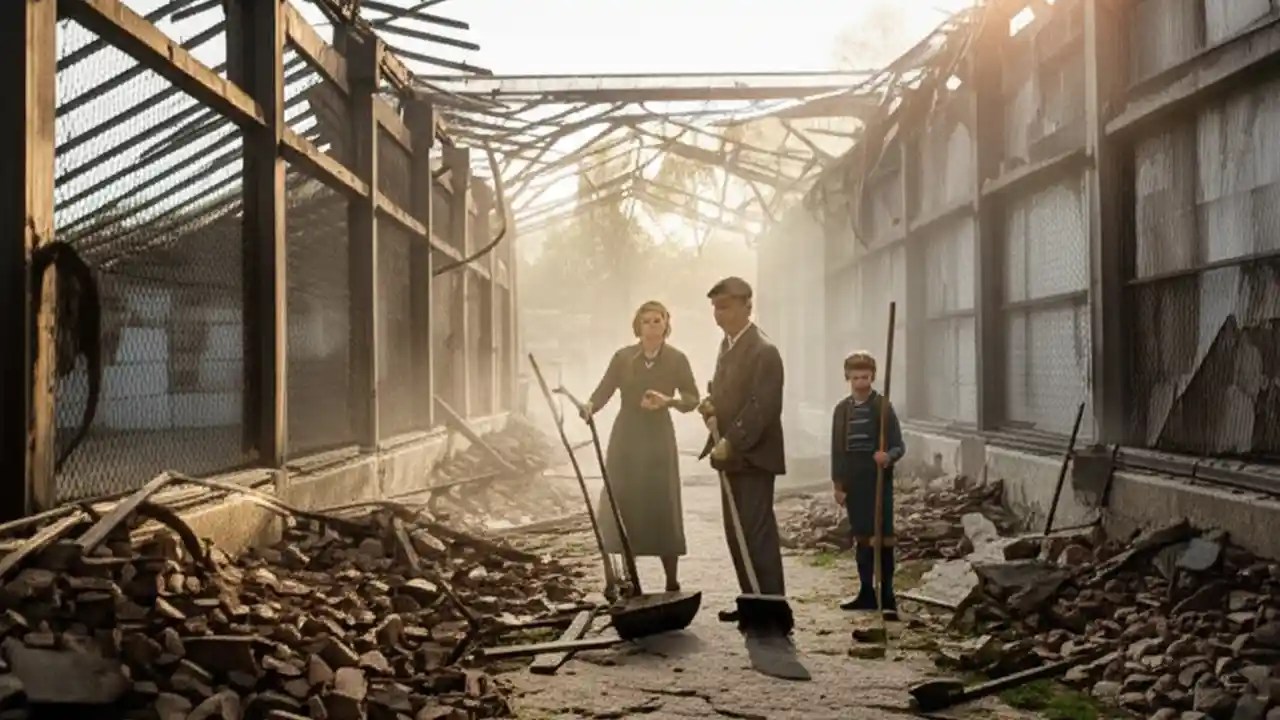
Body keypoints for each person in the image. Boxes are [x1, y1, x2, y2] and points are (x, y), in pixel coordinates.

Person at [581, 300, 701, 592]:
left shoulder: (676, 359)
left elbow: (692, 398)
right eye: (645, 321)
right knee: (620, 501)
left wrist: (668, 400)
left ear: (666, 324)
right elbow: (604, 389)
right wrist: (589, 406)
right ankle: (620, 579)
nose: (651, 326)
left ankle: (671, 579)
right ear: (638, 325)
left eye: (657, 320)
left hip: (658, 439)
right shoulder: (623, 358)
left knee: (661, 502)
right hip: (627, 438)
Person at [696, 277, 787, 622]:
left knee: (757, 533)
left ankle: (774, 611)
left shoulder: (764, 350)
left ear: (748, 305)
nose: (720, 315)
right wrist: (712, 405)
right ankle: (751, 601)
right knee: (737, 532)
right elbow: (729, 394)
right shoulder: (728, 345)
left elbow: (762, 406)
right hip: (730, 456)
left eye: (726, 306)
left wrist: (731, 440)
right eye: (716, 308)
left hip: (753, 456)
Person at [831, 351, 906, 620]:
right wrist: (838, 485)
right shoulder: (841, 410)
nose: (861, 383)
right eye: (856, 378)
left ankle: (887, 595)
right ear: (847, 378)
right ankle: (866, 592)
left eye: (866, 377)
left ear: (873, 376)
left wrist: (888, 457)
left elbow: (899, 444)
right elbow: (837, 451)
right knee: (862, 537)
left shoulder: (883, 407)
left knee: (883, 538)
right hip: (854, 479)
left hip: (878, 479)